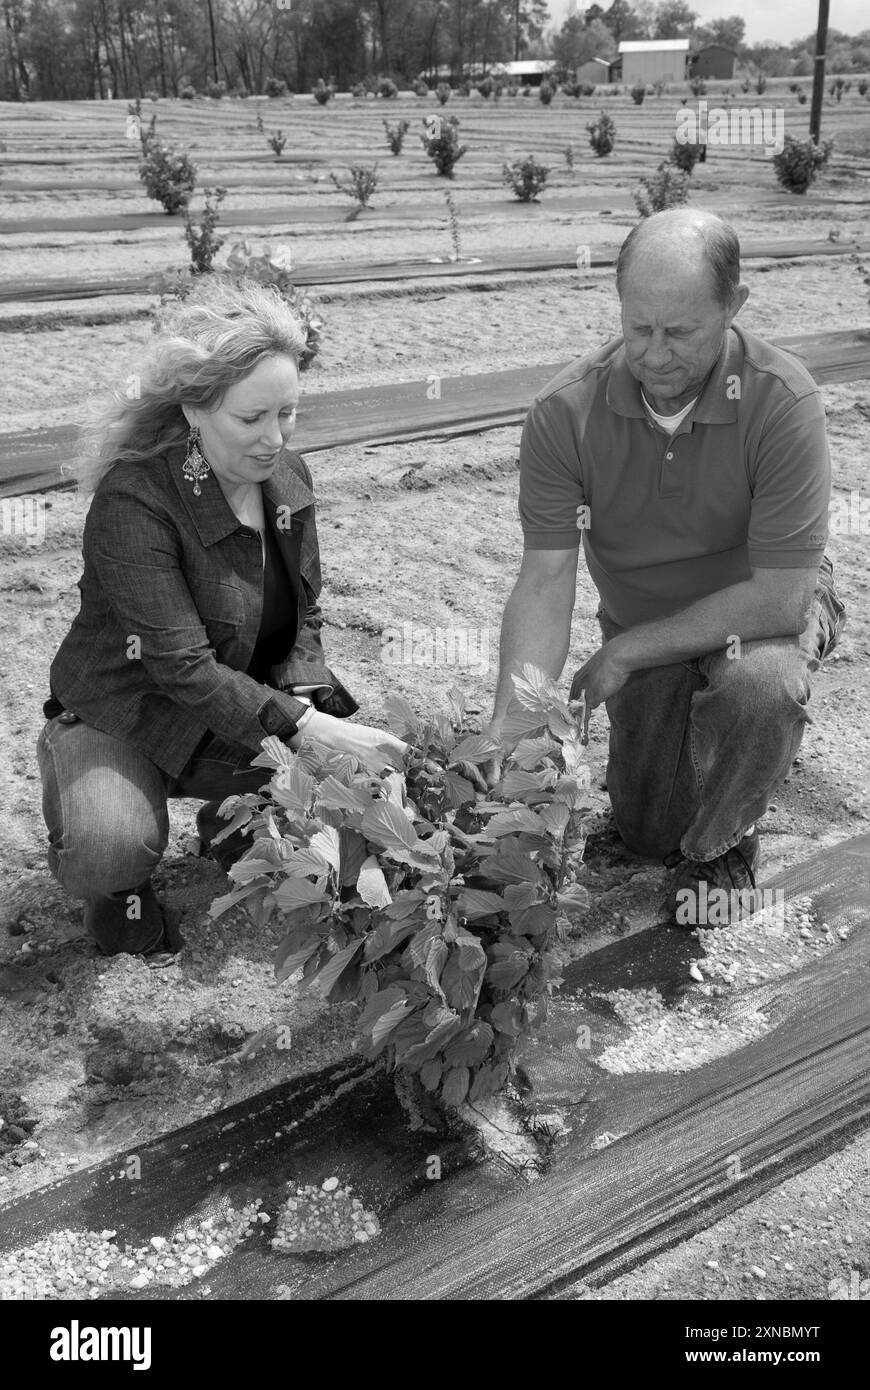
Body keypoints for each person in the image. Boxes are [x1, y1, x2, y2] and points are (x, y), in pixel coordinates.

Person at [488, 209, 846, 925]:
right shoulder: (566, 413)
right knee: (650, 835)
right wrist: (509, 727)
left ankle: (726, 846)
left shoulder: (781, 399)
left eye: (681, 332)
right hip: (646, 618)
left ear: (732, 307)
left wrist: (625, 651)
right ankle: (693, 783)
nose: (654, 355)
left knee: (760, 686)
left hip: (755, 611)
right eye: (638, 327)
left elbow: (780, 599)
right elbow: (545, 579)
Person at [36, 278, 406, 957]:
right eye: (251, 418)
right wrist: (306, 727)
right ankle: (113, 874)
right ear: (195, 409)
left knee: (345, 799)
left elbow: (305, 611)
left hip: (231, 711)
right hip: (125, 712)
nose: (273, 440)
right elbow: (179, 666)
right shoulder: (136, 502)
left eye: (287, 414)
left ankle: (231, 821)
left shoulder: (287, 481)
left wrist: (301, 695)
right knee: (112, 846)